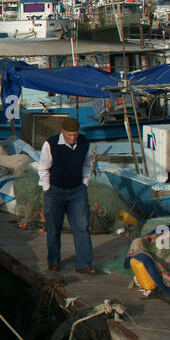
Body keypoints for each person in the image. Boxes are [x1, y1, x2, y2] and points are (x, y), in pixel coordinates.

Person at [38, 115, 98, 274]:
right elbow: (43, 168)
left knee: (82, 226)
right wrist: (47, 188)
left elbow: (86, 165)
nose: (72, 138)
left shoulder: (84, 143)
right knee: (53, 227)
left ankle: (84, 264)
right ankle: (54, 261)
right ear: (62, 132)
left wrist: (84, 184)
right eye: (69, 135)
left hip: (77, 191)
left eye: (75, 135)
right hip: (55, 191)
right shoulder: (50, 144)